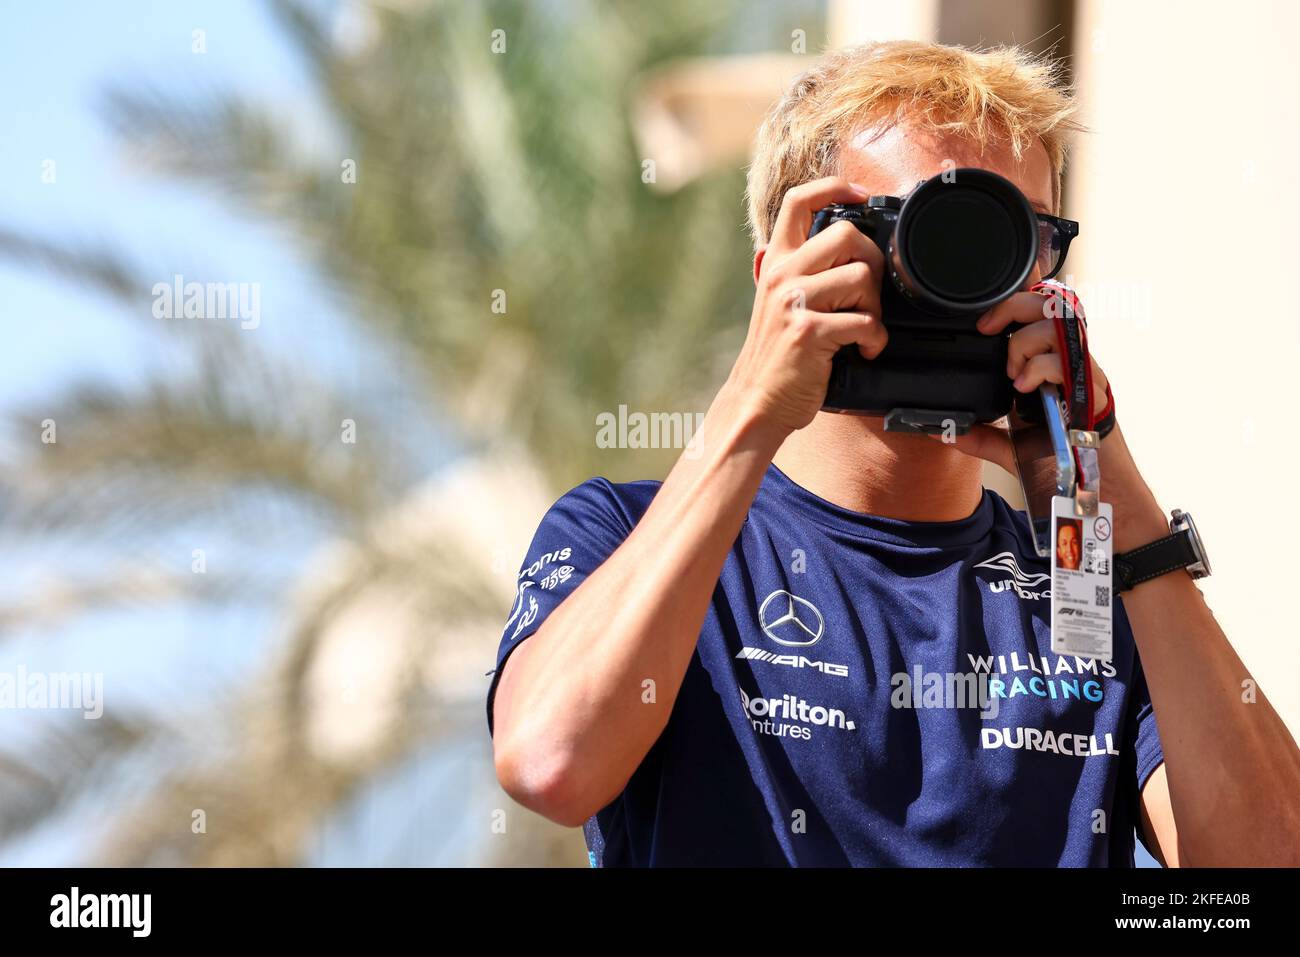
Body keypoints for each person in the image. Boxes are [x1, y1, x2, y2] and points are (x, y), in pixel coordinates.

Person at [486, 40, 1300, 866]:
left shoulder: (1086, 583)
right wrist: (750, 407)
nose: (967, 283)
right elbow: (551, 761)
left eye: (1004, 240)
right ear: (784, 271)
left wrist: (1101, 472)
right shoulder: (629, 536)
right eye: (923, 233)